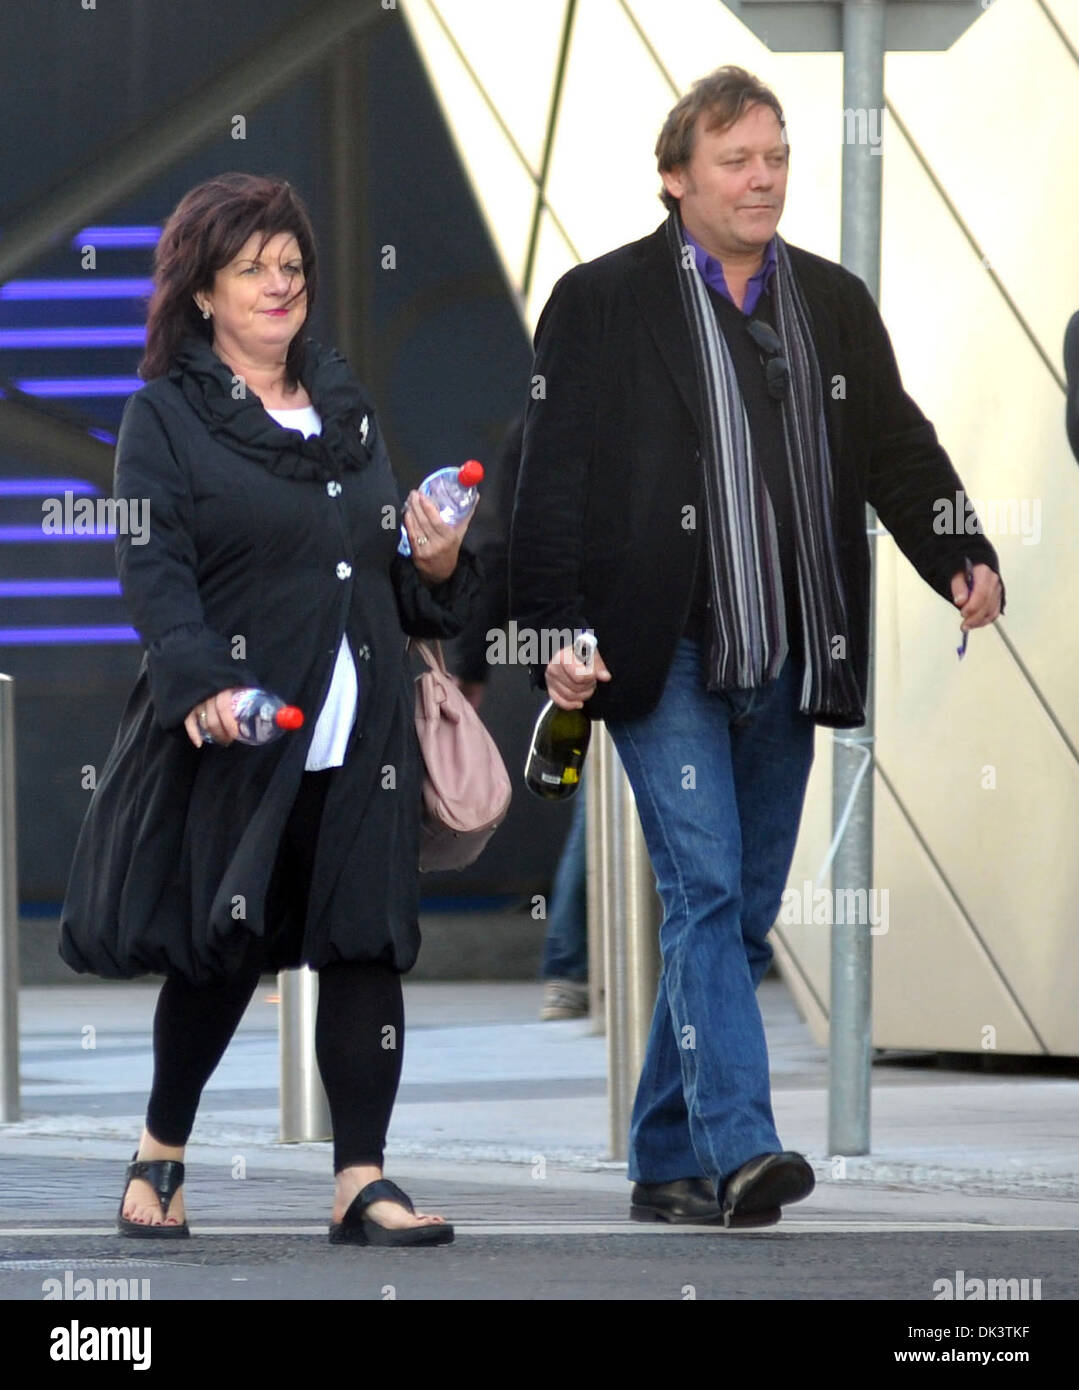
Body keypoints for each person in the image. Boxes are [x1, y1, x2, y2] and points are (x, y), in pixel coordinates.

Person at [509, 67, 1004, 1228]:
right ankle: (741, 1149)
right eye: (736, 159)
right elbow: (551, 487)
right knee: (705, 884)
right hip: (659, 651)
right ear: (675, 176)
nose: (763, 177)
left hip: (792, 643)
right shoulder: (600, 302)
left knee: (729, 914)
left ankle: (662, 1156)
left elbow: (894, 446)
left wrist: (959, 552)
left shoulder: (828, 302)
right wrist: (550, 636)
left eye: (775, 156)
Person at [58, 172, 483, 1247]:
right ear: (201, 290)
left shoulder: (342, 401)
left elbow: (384, 573)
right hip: (245, 723)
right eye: (252, 268)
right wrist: (204, 683)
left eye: (291, 265)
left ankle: (361, 1179)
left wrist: (432, 559)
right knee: (221, 949)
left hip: (364, 722)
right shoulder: (164, 414)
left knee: (365, 944)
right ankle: (160, 1153)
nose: (279, 283)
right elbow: (154, 567)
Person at [452, 414, 589, 1020]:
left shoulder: (543, 419)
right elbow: (505, 542)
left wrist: (472, 662)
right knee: (608, 804)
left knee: (609, 805)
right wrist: (473, 657)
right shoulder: (543, 425)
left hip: (596, 637)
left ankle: (572, 964)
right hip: (595, 641)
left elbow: (501, 541)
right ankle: (571, 962)